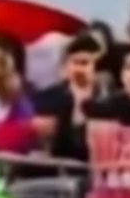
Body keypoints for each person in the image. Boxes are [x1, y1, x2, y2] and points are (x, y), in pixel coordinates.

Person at [31, 33, 103, 162]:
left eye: (85, 63)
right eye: (75, 63)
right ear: (66, 66)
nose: (79, 69)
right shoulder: (48, 97)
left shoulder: (107, 101)